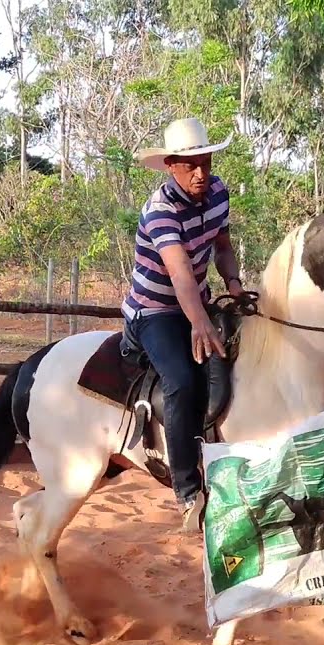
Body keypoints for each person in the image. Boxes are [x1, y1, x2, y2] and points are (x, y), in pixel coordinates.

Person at [126, 118, 245, 532]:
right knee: (181, 380)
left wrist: (234, 284)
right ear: (170, 165)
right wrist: (198, 323)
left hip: (198, 299)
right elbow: (178, 274)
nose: (201, 173)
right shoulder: (160, 211)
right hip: (154, 310)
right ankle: (187, 491)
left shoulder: (218, 193)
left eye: (206, 162)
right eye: (191, 165)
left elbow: (223, 248)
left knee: (238, 358)